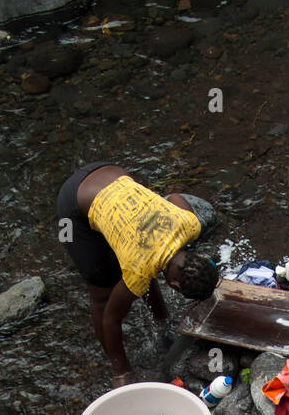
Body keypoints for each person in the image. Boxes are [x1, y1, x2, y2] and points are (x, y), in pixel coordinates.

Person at [56, 162, 218, 386]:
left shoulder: (190, 224)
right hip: (74, 201)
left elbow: (174, 198)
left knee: (149, 260)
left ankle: (162, 322)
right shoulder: (137, 271)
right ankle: (118, 369)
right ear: (175, 286)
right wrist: (122, 374)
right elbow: (111, 319)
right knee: (102, 291)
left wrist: (151, 221)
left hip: (109, 172)